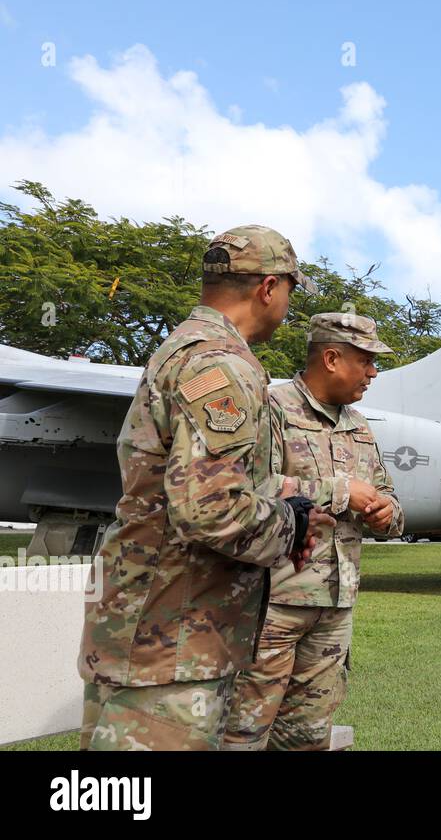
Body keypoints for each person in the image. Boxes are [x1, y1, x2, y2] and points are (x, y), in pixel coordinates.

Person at [78, 225, 346, 751]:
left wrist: (286, 504)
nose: (287, 306)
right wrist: (290, 526)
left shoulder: (186, 349)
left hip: (160, 627)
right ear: (268, 288)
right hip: (174, 640)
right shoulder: (221, 364)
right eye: (288, 291)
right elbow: (211, 510)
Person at [224, 312, 403, 751]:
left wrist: (385, 513)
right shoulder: (272, 408)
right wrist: (339, 493)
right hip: (271, 604)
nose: (374, 372)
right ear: (331, 358)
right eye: (366, 361)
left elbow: (385, 496)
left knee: (307, 737)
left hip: (335, 606)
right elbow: (245, 489)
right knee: (242, 733)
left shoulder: (358, 425)